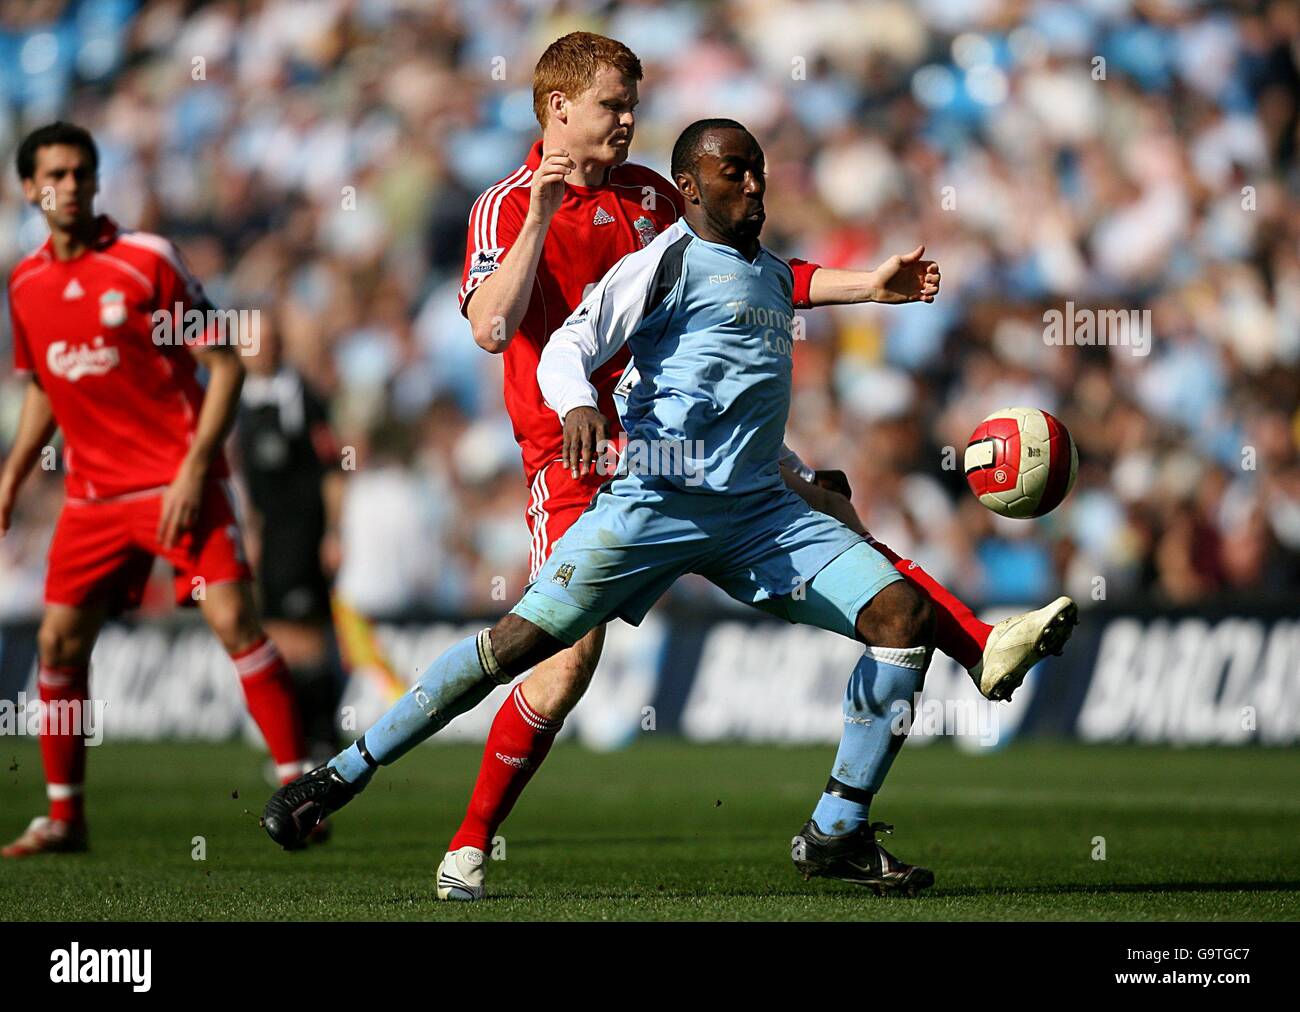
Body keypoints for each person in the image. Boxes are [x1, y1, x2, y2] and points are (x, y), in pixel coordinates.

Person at [263, 120, 1057, 896]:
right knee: (514, 649)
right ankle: (341, 774)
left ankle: (837, 831)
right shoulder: (662, 262)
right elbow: (572, 343)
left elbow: (794, 284)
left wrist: (872, 289)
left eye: (757, 169)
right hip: (653, 504)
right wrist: (577, 406)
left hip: (756, 514)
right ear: (689, 188)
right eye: (733, 170)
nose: (752, 182)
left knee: (901, 619)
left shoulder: (767, 271)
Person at [0, 122, 310, 857]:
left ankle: (302, 790)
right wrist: (11, 478)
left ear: (97, 179)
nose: (71, 185)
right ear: (29, 189)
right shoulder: (27, 285)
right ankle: (63, 818)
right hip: (94, 497)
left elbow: (225, 366)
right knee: (57, 642)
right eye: (57, 175)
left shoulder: (144, 263)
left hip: (178, 479)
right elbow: (45, 387)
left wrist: (196, 469)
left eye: (82, 172)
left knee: (233, 619)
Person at [236, 321, 345, 767]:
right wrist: (248, 527)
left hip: (304, 533)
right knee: (276, 632)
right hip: (268, 536)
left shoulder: (303, 397)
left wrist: (334, 533)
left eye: (268, 341)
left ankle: (322, 736)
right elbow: (239, 473)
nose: (260, 351)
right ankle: (296, 739)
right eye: (253, 344)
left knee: (305, 635)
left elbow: (333, 472)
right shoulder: (240, 402)